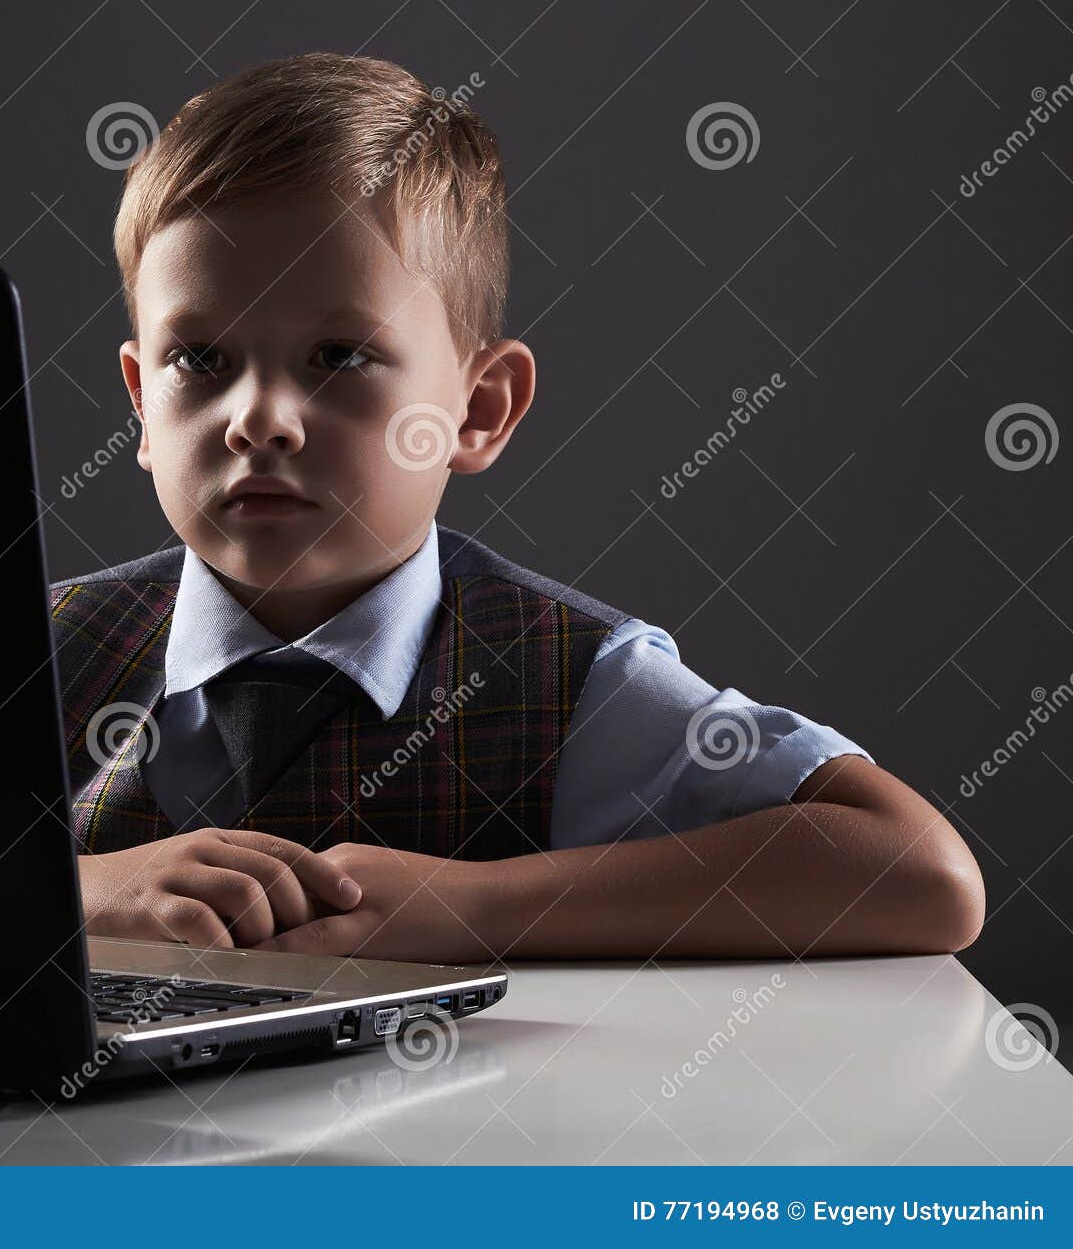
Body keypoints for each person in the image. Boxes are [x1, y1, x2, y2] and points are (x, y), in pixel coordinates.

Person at [51, 52, 984, 964]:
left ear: (480, 408)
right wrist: (84, 890)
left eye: (338, 356)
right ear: (140, 405)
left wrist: (471, 906)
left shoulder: (573, 684)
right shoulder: (29, 649)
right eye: (200, 360)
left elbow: (924, 874)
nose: (259, 419)